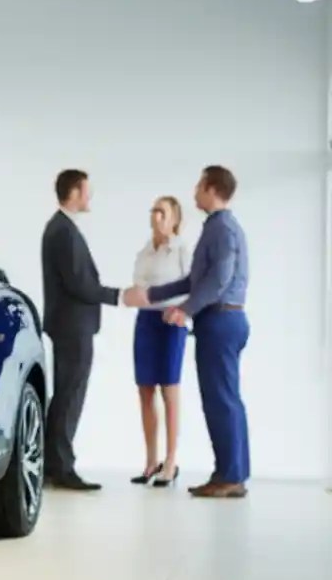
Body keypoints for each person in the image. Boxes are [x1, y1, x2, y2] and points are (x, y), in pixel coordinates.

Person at [123, 165, 250, 498]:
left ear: (212, 188)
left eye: (199, 185)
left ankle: (229, 476)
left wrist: (186, 309)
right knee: (226, 400)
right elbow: (194, 281)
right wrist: (151, 295)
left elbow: (218, 279)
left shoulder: (221, 228)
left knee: (221, 401)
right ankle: (233, 473)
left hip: (221, 321)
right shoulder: (218, 227)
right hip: (222, 321)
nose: (195, 191)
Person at [40, 169, 121, 491]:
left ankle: (53, 463)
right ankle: (61, 467)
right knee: (70, 395)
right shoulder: (63, 231)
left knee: (66, 393)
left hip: (68, 325)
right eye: (87, 190)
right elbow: (80, 284)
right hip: (72, 326)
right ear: (74, 192)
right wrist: (117, 296)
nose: (90, 196)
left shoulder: (61, 228)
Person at [129, 197, 191, 487]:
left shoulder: (181, 250)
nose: (156, 216)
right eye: (153, 211)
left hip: (171, 322)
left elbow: (190, 286)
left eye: (162, 212)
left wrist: (179, 309)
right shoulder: (144, 251)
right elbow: (138, 286)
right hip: (146, 320)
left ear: (174, 219)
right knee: (145, 389)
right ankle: (151, 461)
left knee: (170, 390)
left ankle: (171, 460)